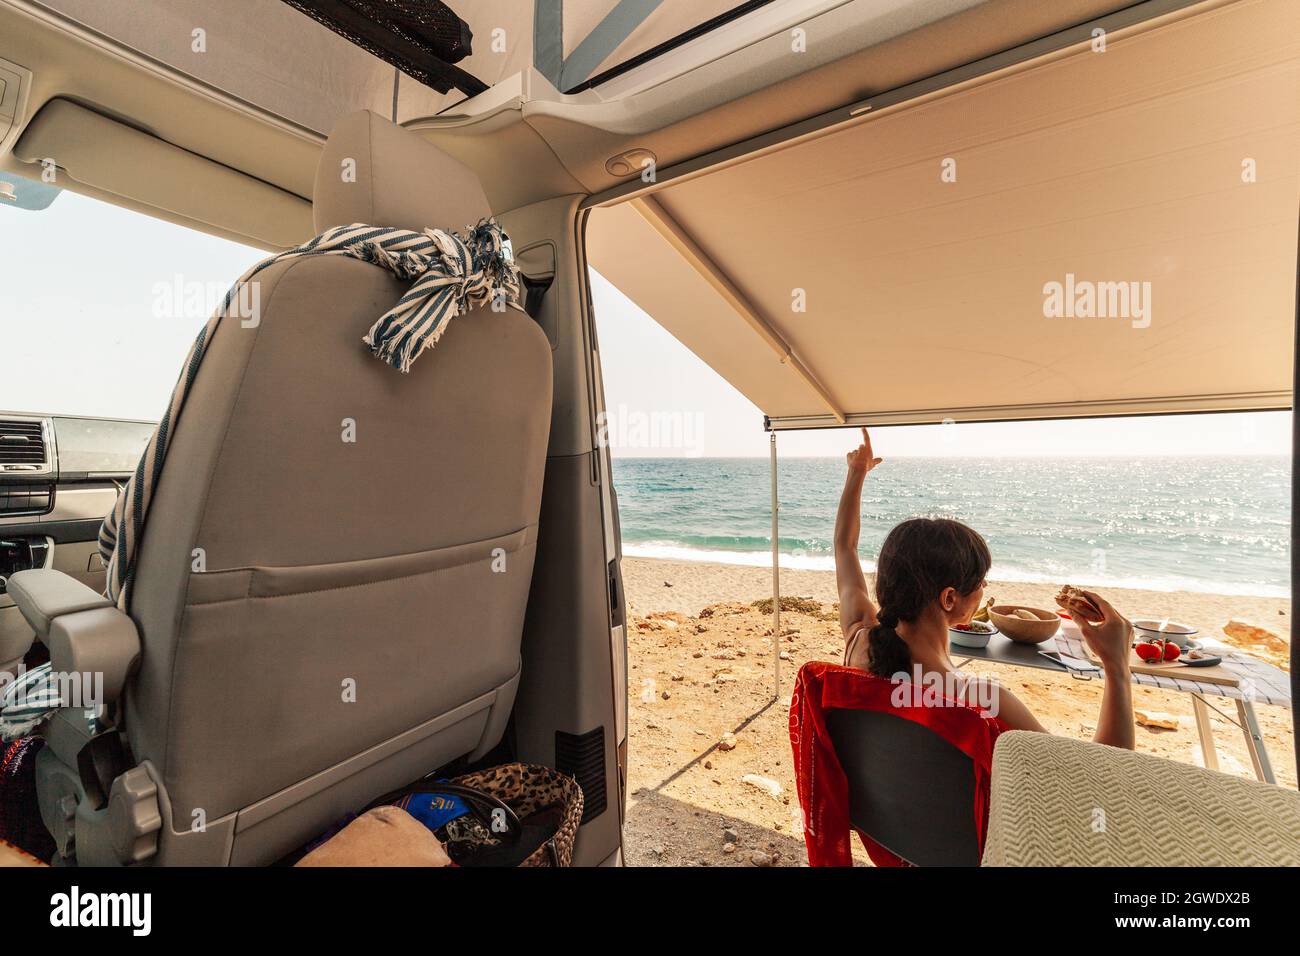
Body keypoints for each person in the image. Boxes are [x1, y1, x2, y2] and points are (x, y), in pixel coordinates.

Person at [834, 427, 1135, 749]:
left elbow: (844, 546)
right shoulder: (983, 698)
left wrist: (856, 472)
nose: (984, 588)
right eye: (980, 582)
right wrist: (1116, 666)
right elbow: (1103, 771)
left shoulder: (859, 638)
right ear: (949, 597)